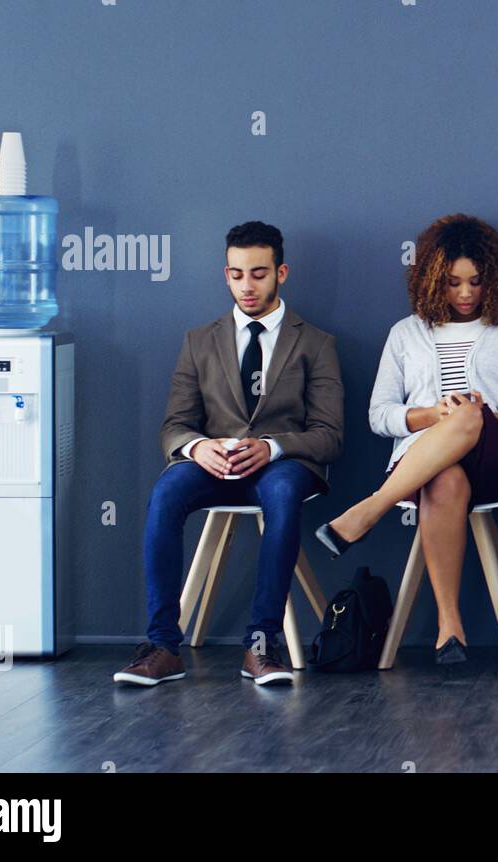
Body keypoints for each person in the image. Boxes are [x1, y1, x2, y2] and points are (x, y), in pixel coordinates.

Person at [114, 221, 344, 687]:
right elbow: (173, 426)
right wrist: (199, 448)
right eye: (237, 275)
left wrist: (273, 447)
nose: (247, 286)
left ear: (282, 272)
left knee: (281, 500)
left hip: (283, 466)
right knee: (165, 493)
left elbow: (330, 435)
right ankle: (161, 646)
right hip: (212, 465)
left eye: (258, 274)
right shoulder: (199, 341)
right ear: (226, 274)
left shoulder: (317, 344)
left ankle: (261, 646)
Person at [314, 214, 498, 664]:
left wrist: (484, 416)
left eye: (476, 282)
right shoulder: (406, 334)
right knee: (444, 481)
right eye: (453, 282)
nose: (465, 294)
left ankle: (369, 510)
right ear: (432, 280)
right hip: (429, 467)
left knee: (468, 415)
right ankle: (449, 628)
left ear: (494, 280)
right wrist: (430, 416)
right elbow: (379, 415)